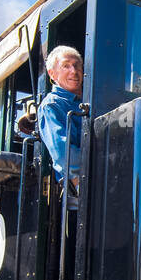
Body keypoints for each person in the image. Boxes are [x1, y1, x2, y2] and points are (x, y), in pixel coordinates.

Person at [37, 45, 85, 205]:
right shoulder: (51, 105)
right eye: (66, 66)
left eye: (77, 65)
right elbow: (63, 154)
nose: (74, 71)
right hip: (80, 193)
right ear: (52, 73)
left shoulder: (90, 102)